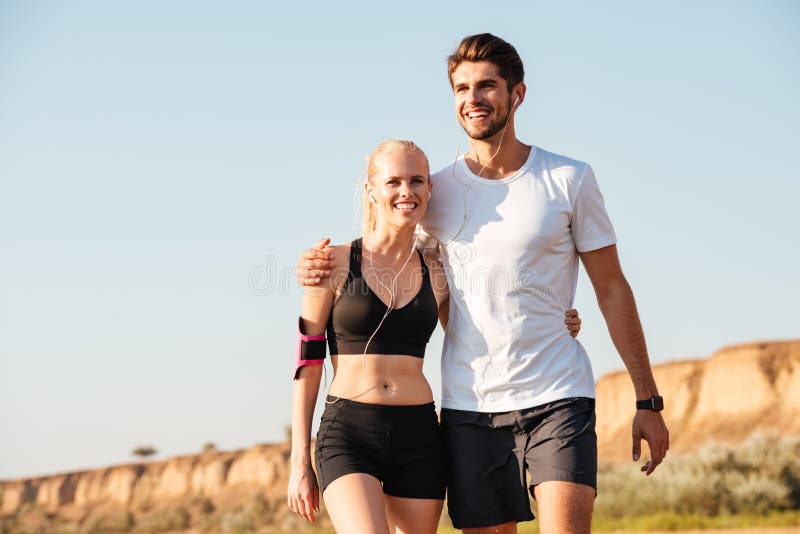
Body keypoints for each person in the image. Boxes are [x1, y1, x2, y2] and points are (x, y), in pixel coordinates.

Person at [296, 34, 669, 534]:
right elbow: (399, 262)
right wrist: (320, 266)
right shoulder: (436, 190)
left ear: (517, 94)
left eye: (487, 86)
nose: (473, 99)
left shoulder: (568, 179)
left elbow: (612, 287)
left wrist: (646, 397)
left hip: (558, 392)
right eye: (462, 88)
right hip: (470, 408)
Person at [287, 140, 583, 534]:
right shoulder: (332, 263)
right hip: (349, 432)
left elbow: (484, 329)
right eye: (393, 182)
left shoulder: (439, 271)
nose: (406, 192)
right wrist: (298, 460)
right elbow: (307, 364)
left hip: (419, 436)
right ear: (371, 191)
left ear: (430, 189)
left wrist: (554, 322)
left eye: (416, 181)